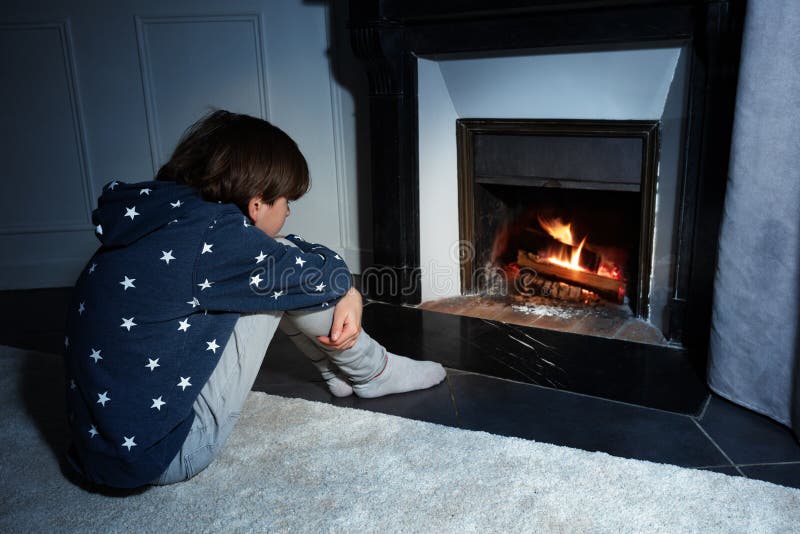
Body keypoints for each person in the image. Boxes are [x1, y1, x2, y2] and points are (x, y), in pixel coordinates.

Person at [63, 110, 446, 489]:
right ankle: (372, 371)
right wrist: (350, 290)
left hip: (95, 451)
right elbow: (322, 276)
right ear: (257, 204)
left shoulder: (160, 215)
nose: (289, 211)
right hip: (161, 455)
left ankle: (336, 367)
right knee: (282, 274)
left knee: (276, 267)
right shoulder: (216, 236)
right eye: (287, 203)